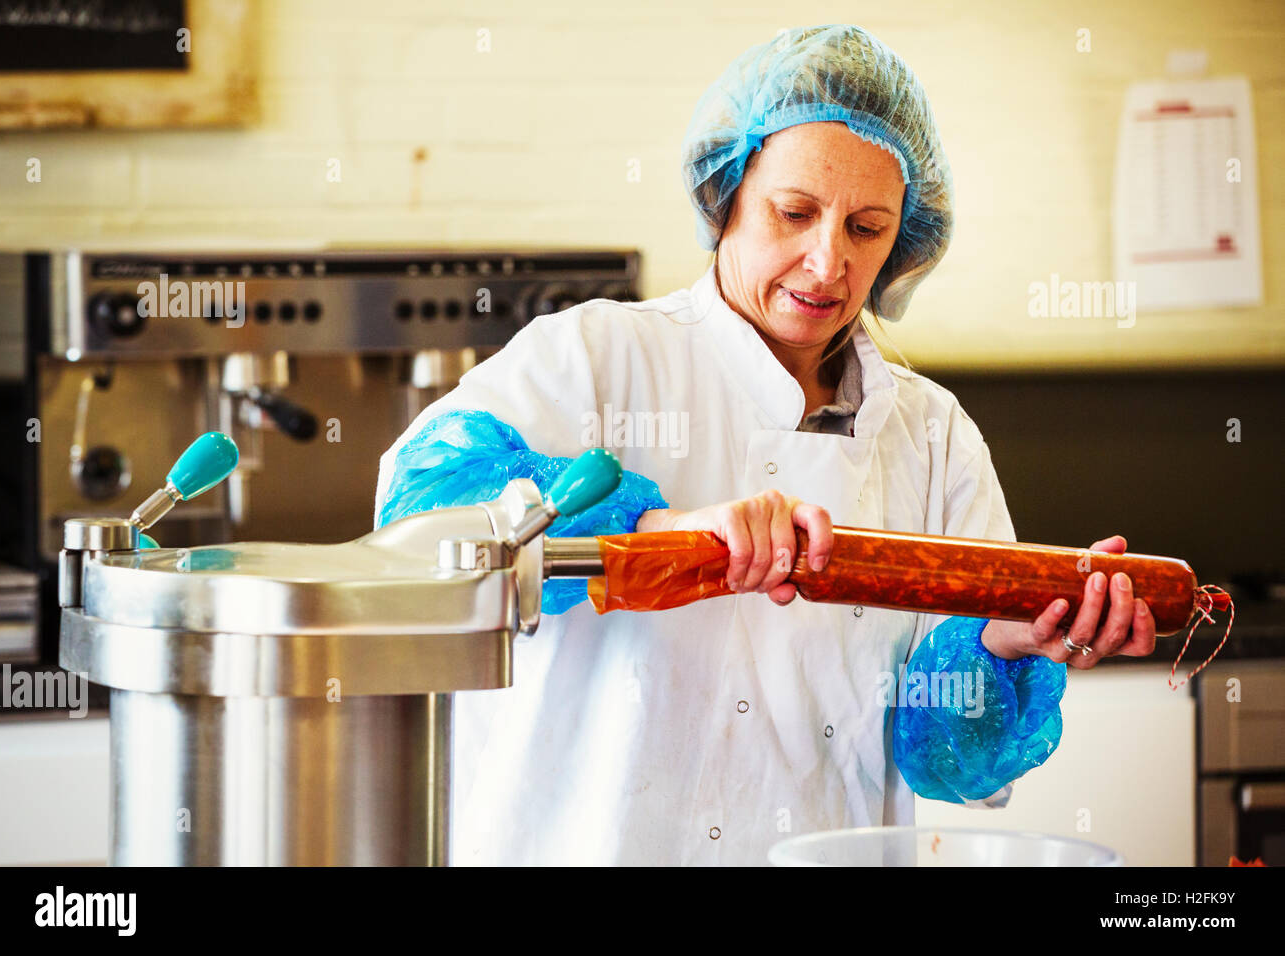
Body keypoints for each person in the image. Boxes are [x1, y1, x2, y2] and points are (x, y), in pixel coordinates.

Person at [375, 23, 1156, 865]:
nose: (827, 263)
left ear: (906, 239)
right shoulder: (595, 357)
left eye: (866, 227)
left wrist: (1004, 644)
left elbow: (944, 760)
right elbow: (418, 522)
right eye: (794, 213)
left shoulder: (932, 439)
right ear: (726, 199)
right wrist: (649, 536)